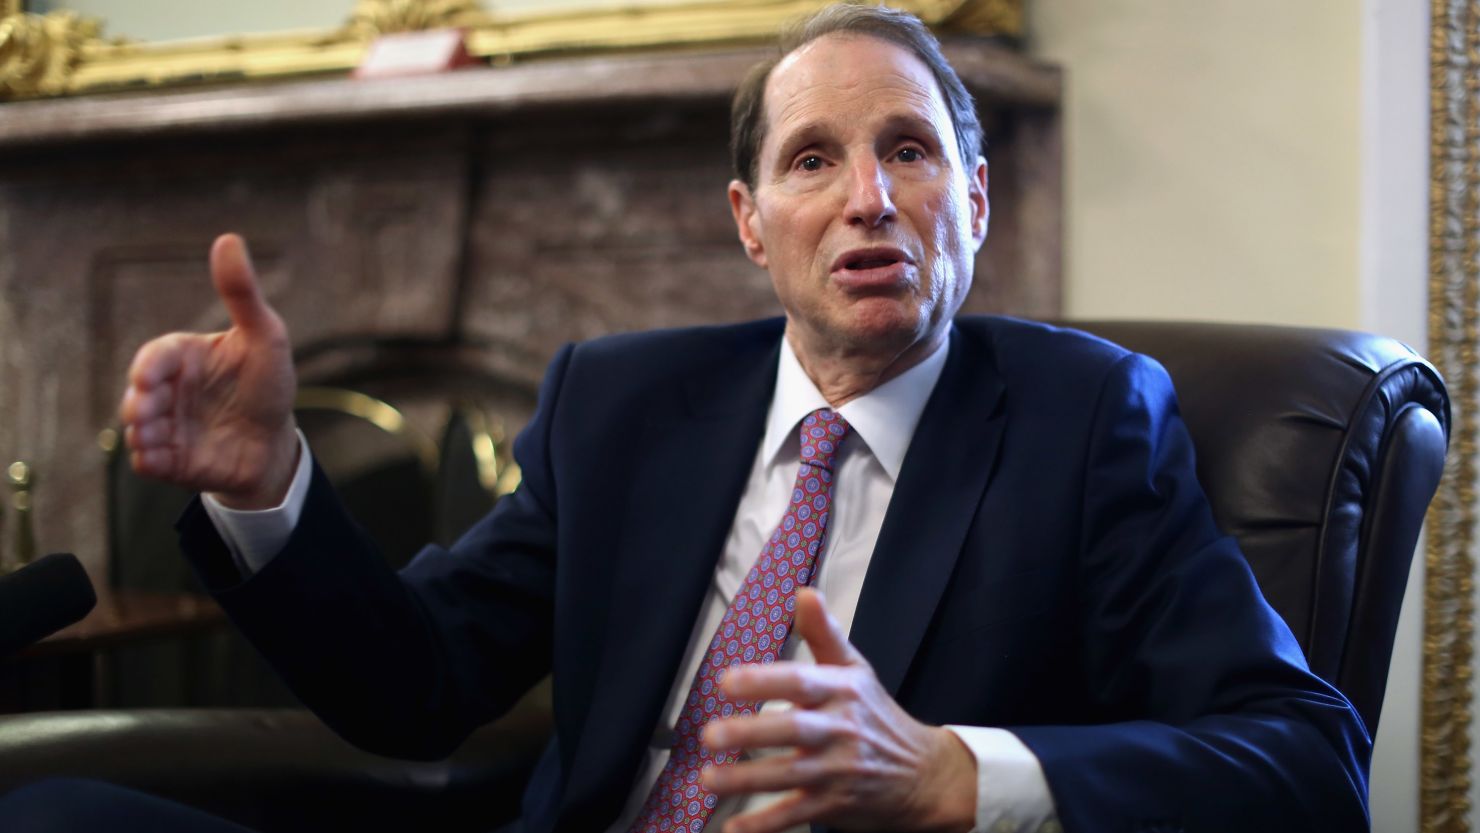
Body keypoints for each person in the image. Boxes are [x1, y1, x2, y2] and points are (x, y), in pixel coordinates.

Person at [1, 5, 1369, 833]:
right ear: (749, 224)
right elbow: (414, 682)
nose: (870, 200)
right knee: (49, 810)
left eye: (910, 150)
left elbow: (1304, 761)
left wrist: (952, 775)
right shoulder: (629, 404)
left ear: (978, 198)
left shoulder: (1083, 423)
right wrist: (265, 486)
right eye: (814, 160)